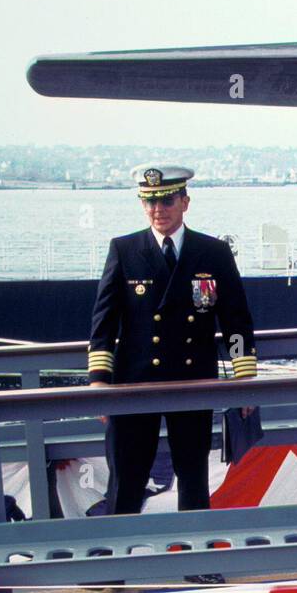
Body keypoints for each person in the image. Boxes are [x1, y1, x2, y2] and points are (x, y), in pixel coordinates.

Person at [88, 165, 257, 514]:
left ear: (185, 201)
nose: (157, 210)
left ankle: (197, 562)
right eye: (149, 203)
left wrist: (245, 377)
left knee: (194, 478)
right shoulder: (124, 249)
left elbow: (235, 320)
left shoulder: (213, 252)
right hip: (134, 383)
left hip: (192, 380)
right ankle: (120, 563)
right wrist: (99, 381)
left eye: (166, 201)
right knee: (126, 478)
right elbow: (103, 321)